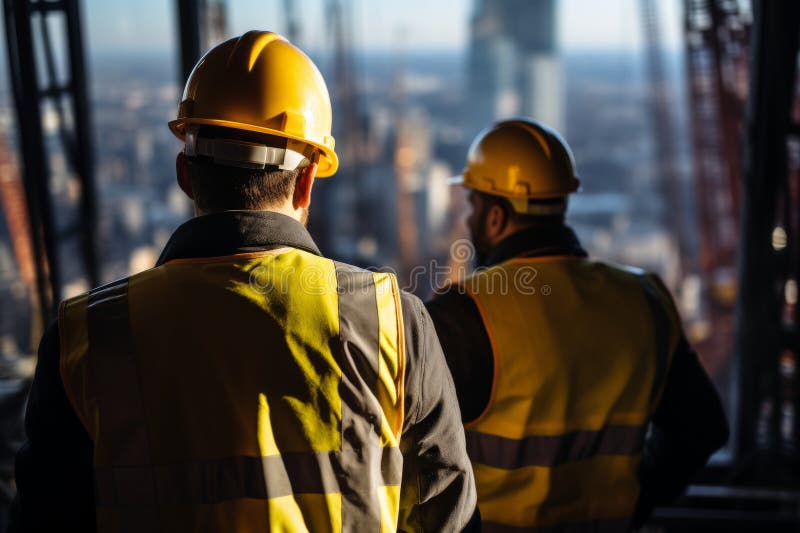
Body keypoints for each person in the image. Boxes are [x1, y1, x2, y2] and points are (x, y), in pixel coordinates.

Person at [10, 31, 478, 532]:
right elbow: (446, 518)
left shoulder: (84, 339)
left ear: (185, 175)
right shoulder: (392, 323)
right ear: (306, 182)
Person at [426, 118, 729, 532]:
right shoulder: (645, 300)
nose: (468, 222)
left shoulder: (466, 312)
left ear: (496, 217)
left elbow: (410, 452)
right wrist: (641, 498)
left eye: (474, 208)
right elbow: (703, 426)